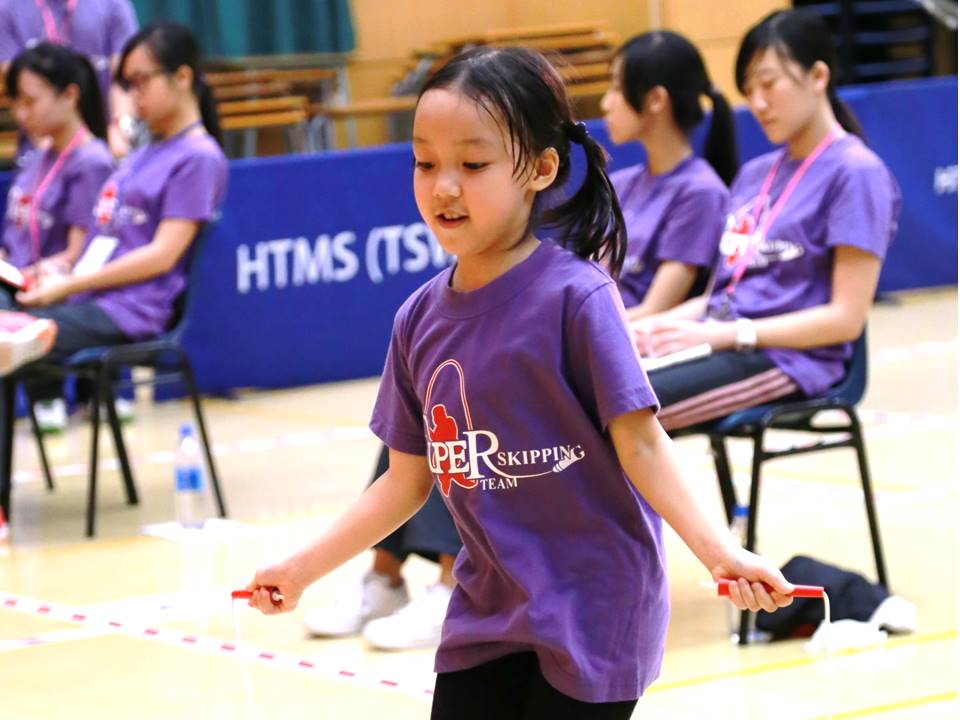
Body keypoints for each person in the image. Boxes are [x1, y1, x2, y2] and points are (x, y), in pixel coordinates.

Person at [245, 47, 793, 719]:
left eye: (473, 165)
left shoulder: (579, 299)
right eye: (425, 163)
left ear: (540, 168)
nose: (444, 187)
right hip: (486, 609)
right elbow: (404, 482)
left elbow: (643, 444)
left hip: (596, 610)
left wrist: (720, 553)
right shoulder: (417, 320)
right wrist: (301, 568)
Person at [634, 9, 901, 434]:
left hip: (789, 360)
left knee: (624, 406)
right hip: (722, 343)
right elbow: (721, 298)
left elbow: (845, 319)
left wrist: (730, 335)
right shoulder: (754, 175)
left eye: (769, 83)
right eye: (748, 89)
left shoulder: (856, 173)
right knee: (588, 385)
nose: (757, 103)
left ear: (818, 77)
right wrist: (656, 326)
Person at [0, 22, 227, 392]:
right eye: (128, 85)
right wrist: (55, 273)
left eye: (142, 81)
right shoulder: (139, 156)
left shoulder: (198, 157)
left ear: (182, 77)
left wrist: (70, 284)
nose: (134, 96)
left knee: (7, 335)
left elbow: (162, 256)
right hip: (87, 298)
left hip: (129, 312)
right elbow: (101, 242)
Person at [2, 42, 115, 428]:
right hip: (18, 282)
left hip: (51, 294)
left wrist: (35, 274)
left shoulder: (92, 162)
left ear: (69, 96)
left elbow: (79, 256)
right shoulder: (35, 158)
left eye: (30, 102)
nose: (21, 114)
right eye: (16, 103)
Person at [601, 31, 735, 319]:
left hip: (638, 338)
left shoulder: (700, 193)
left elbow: (656, 310)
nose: (606, 103)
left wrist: (575, 331)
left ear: (656, 99)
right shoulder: (619, 184)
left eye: (616, 88)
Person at [0, 0, 140, 157]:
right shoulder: (7, 7)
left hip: (104, 137)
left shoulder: (113, 4)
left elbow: (123, 77)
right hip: (37, 148)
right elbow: (19, 88)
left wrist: (120, 128)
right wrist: (45, 142)